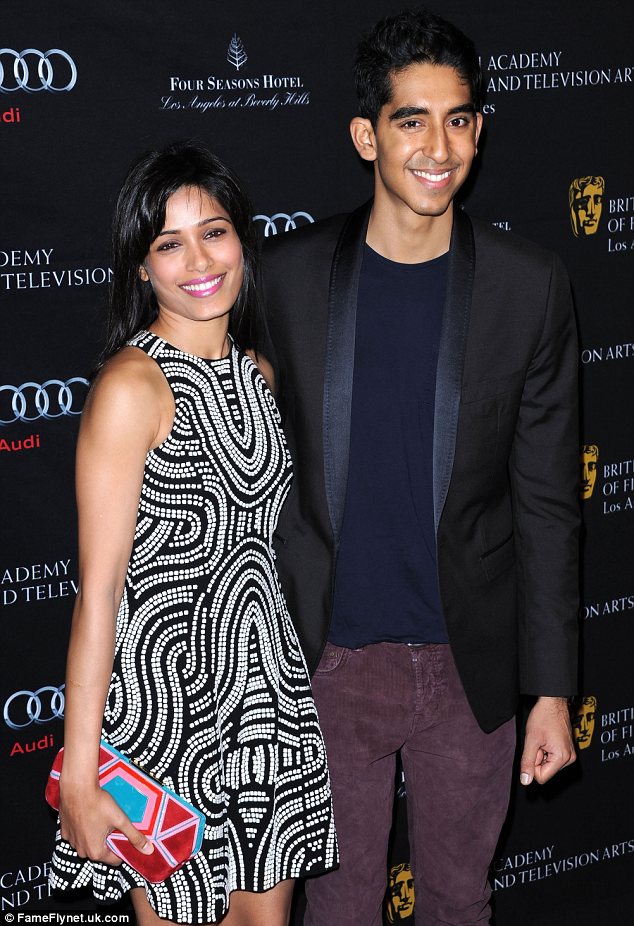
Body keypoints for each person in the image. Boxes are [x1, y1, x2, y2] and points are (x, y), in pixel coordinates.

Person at [261, 8, 579, 925]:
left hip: (468, 669)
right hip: (326, 667)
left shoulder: (529, 285)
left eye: (460, 119)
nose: (440, 148)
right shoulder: (283, 278)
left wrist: (552, 689)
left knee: (458, 905)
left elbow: (549, 502)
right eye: (412, 120)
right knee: (339, 912)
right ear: (367, 136)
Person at [49, 141, 337, 926]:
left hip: (265, 698)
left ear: (242, 238)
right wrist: (81, 776)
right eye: (168, 244)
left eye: (214, 232)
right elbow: (99, 594)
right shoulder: (131, 386)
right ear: (142, 268)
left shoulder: (259, 375)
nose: (199, 261)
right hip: (165, 707)